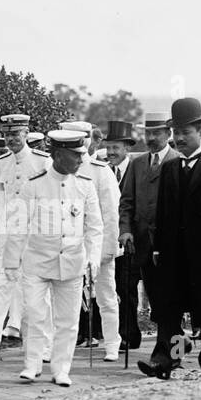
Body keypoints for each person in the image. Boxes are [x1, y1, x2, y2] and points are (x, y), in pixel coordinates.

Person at [137, 97, 201, 379]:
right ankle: (168, 361)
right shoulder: (169, 168)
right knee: (170, 311)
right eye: (177, 133)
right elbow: (162, 213)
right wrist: (158, 248)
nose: (180, 138)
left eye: (187, 133)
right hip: (174, 253)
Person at [2, 129, 102, 387]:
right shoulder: (33, 185)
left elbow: (95, 227)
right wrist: (11, 263)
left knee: (68, 321)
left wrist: (93, 258)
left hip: (72, 263)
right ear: (58, 155)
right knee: (34, 315)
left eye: (82, 153)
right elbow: (18, 227)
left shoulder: (84, 185)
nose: (81, 159)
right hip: (37, 262)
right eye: (75, 154)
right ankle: (32, 364)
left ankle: (61, 370)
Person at [0, 114, 49, 359]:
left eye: (15, 134)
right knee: (1, 285)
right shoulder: (2, 163)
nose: (10, 139)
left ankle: (45, 345)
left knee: (38, 289)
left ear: (26, 134)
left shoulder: (42, 161)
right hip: (8, 235)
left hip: (34, 235)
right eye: (6, 134)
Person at [120, 112, 185, 361]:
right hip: (143, 245)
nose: (151, 138)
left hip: (171, 246)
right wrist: (125, 229)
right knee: (158, 303)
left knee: (172, 304)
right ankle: (179, 347)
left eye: (156, 133)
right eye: (147, 133)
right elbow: (126, 202)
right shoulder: (137, 164)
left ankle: (170, 356)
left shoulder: (178, 161)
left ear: (168, 134)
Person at [61, 122, 121, 361]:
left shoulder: (99, 170)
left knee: (106, 296)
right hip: (68, 247)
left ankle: (112, 343)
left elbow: (111, 213)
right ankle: (62, 346)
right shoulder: (57, 168)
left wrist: (107, 249)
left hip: (97, 245)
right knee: (67, 299)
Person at [104, 120, 143, 351]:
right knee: (118, 288)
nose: (111, 153)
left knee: (132, 289)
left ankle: (133, 334)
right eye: (109, 148)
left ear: (126, 148)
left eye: (115, 148)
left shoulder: (137, 169)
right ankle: (123, 334)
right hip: (113, 240)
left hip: (134, 240)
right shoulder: (104, 171)